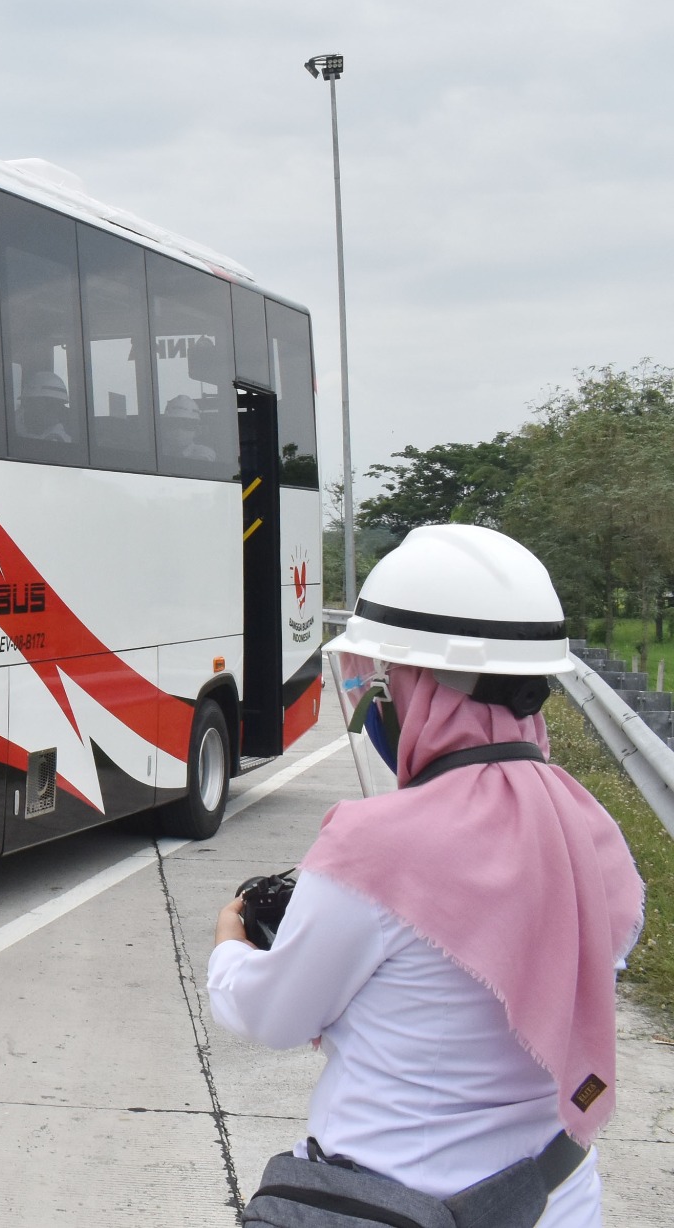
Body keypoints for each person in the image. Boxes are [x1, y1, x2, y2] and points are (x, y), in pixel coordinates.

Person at [207, 524, 644, 1227]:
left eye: (381, 677)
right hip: (556, 1199)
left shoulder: (374, 844)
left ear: (411, 681)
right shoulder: (591, 829)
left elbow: (274, 1015)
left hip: (386, 1200)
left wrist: (231, 943)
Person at [14, 369, 74, 443]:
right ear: (27, 402)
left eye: (58, 405)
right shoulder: (6, 425)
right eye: (49, 403)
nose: (54, 410)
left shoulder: (60, 440)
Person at [159, 394, 216, 462]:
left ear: (196, 429)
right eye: (173, 424)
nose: (179, 431)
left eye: (186, 425)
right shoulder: (158, 452)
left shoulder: (204, 453)